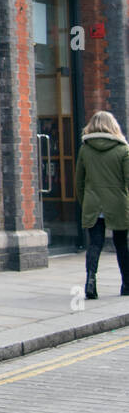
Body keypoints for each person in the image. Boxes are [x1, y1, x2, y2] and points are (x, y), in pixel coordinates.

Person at [73, 110, 129, 299]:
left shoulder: (85, 149)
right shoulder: (123, 150)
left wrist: (85, 202)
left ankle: (90, 282)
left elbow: (79, 181)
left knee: (94, 244)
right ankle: (126, 284)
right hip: (118, 203)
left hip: (93, 203)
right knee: (122, 244)